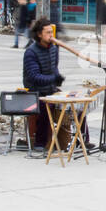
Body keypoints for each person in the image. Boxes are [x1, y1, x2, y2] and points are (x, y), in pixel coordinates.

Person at [23, 18, 65, 150]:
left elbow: (54, 68)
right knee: (46, 108)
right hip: (35, 92)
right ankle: (40, 143)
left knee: (77, 106)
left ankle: (80, 140)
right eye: (47, 33)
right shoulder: (31, 52)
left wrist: (56, 77)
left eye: (51, 32)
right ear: (39, 34)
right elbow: (34, 77)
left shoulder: (53, 49)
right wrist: (54, 78)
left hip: (51, 90)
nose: (51, 36)